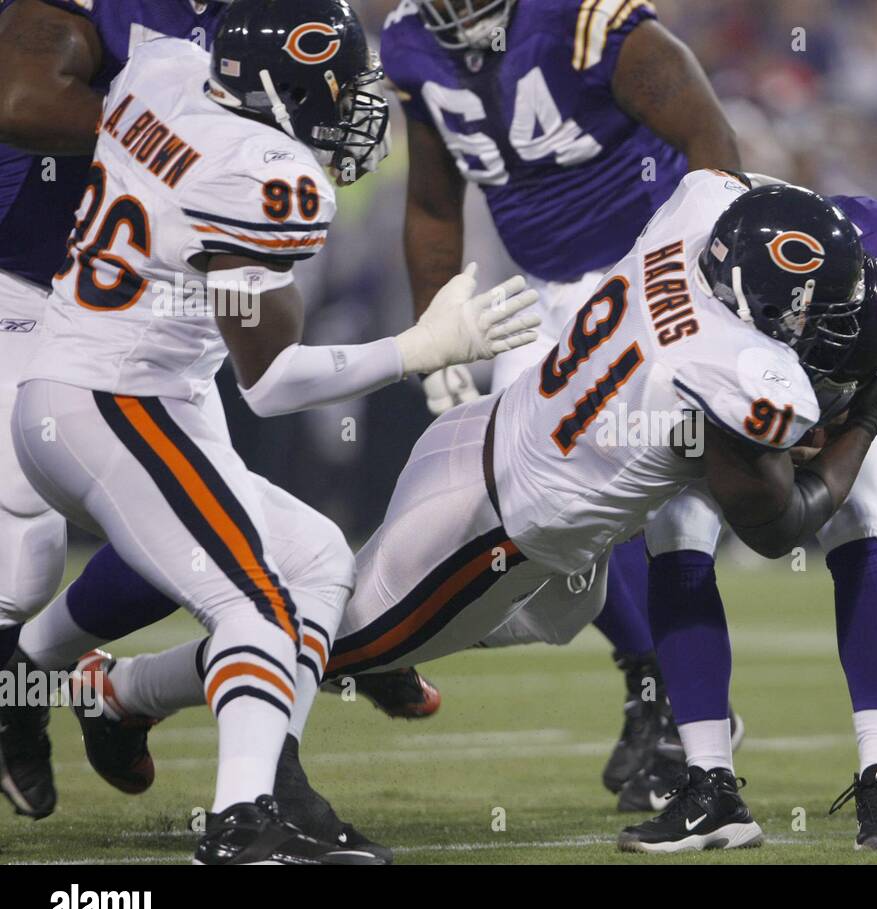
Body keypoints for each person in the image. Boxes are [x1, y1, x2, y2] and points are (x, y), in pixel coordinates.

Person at [53, 172, 877, 853]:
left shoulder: (707, 207)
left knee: (550, 612)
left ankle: (359, 643)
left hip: (503, 449)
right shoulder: (734, 369)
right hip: (491, 531)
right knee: (310, 638)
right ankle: (122, 692)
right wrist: (867, 413)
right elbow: (776, 527)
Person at [5, 0, 538, 864]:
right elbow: (272, 384)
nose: (352, 105)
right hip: (113, 402)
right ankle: (240, 820)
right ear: (278, 87)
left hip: (97, 386)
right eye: (334, 87)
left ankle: (204, 746)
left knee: (319, 557)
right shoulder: (265, 173)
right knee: (255, 600)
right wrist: (420, 347)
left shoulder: (166, 71)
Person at [381, 0, 745, 798]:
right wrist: (434, 324)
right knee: (528, 520)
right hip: (541, 303)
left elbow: (712, 144)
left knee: (652, 515)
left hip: (648, 285)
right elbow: (436, 201)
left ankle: (686, 716)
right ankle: (649, 676)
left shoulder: (588, 21)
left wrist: (703, 284)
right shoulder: (410, 42)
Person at [620, 191, 877, 852]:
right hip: (715, 398)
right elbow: (772, 530)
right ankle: (711, 784)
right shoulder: (686, 283)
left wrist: (853, 409)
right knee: (674, 530)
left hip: (842, 399)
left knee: (860, 526)